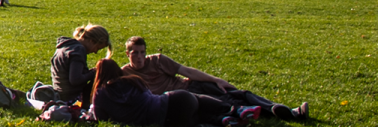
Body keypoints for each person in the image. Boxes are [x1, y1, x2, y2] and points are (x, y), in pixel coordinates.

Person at [121, 36, 309, 120]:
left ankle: (281, 110)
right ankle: (261, 111)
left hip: (191, 86)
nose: (140, 57)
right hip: (182, 99)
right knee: (226, 102)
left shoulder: (158, 60)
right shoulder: (125, 73)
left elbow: (188, 72)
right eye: (135, 53)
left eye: (142, 52)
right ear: (128, 54)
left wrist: (215, 79)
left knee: (234, 92)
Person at [87, 58, 258, 127]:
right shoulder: (132, 80)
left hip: (160, 118)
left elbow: (101, 118)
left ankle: (224, 120)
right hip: (170, 102)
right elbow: (149, 94)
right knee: (196, 102)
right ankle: (235, 111)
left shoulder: (100, 95)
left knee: (191, 118)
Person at [51, 24, 110, 104]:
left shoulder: (65, 47)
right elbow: (75, 80)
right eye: (97, 48)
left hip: (60, 95)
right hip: (72, 98)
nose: (95, 52)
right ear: (91, 41)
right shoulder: (78, 50)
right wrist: (93, 72)